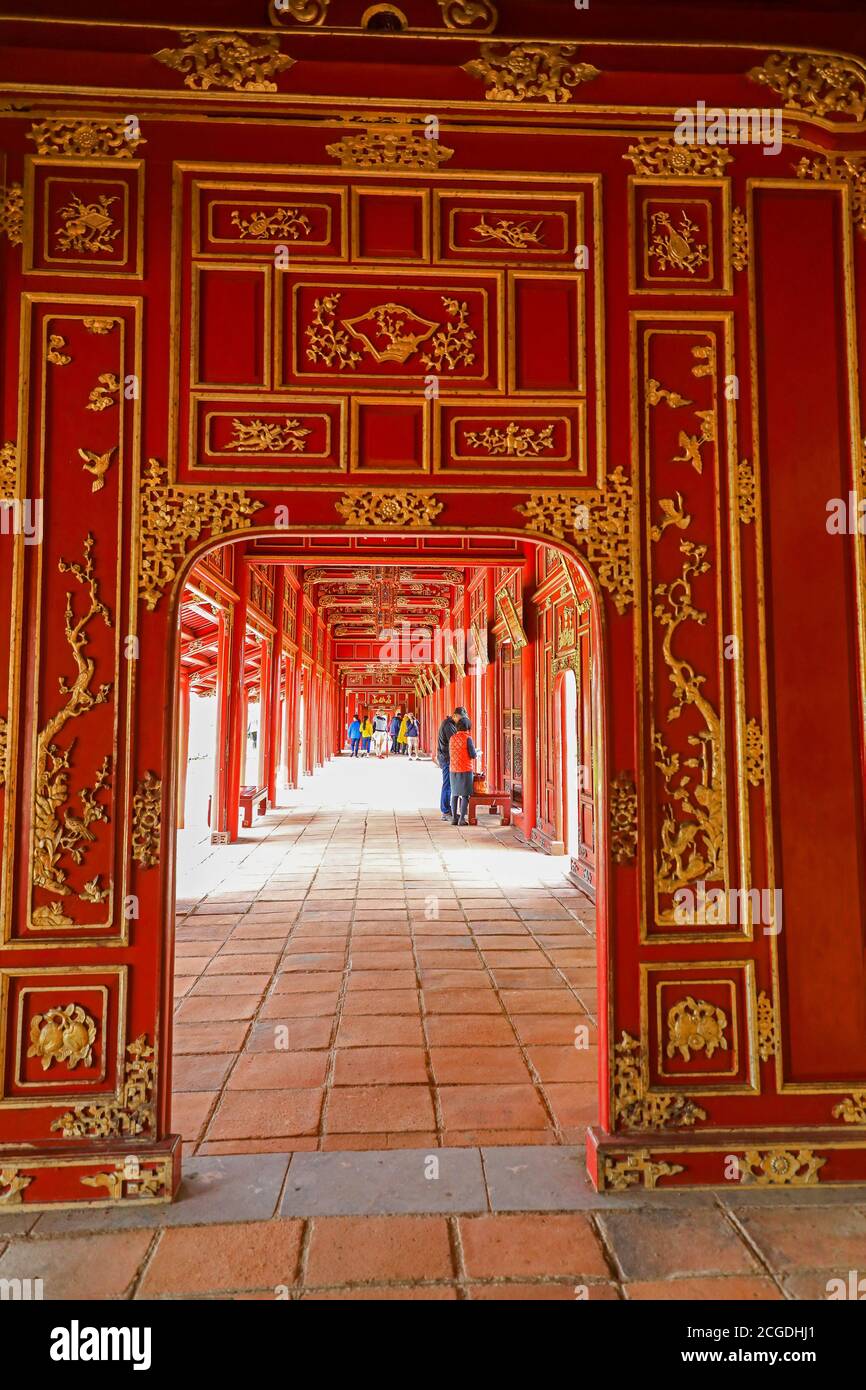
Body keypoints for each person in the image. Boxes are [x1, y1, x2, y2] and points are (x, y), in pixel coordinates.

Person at [436, 705, 466, 821]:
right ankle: (445, 811)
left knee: (450, 784)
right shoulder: (448, 726)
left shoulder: (451, 724)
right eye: (460, 717)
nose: (461, 720)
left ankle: (449, 810)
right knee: (448, 784)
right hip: (446, 758)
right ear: (454, 716)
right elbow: (455, 742)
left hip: (448, 757)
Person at [449, 714, 477, 825]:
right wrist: (476, 753)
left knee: (454, 794)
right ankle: (461, 819)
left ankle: (454, 818)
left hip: (453, 769)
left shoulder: (452, 738)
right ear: (467, 727)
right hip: (465, 769)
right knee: (465, 795)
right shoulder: (468, 738)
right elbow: (472, 755)